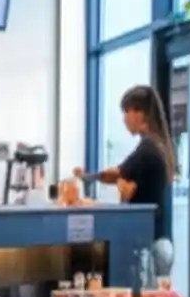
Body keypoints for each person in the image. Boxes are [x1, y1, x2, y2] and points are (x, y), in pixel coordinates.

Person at [75, 84, 177, 271]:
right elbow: (121, 176)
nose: (124, 120)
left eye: (126, 112)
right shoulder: (160, 146)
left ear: (140, 113)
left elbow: (118, 176)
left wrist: (88, 177)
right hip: (163, 241)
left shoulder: (148, 149)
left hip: (150, 244)